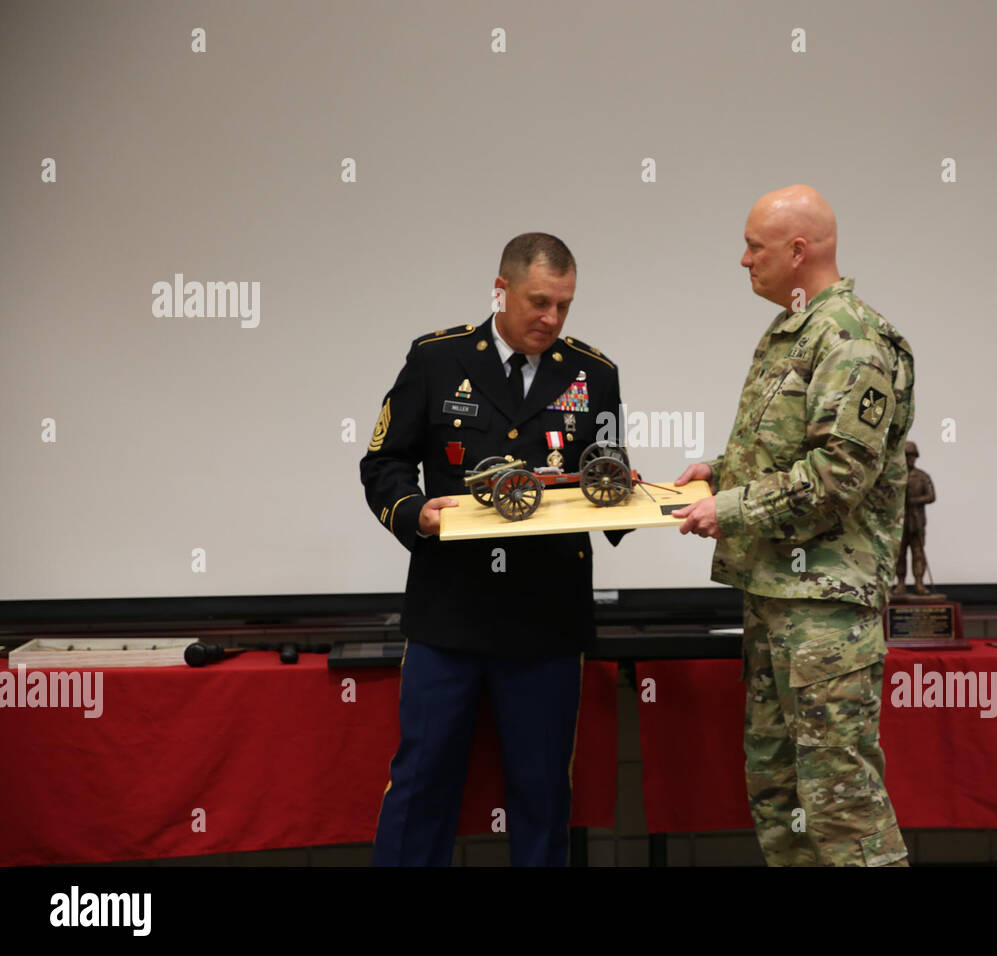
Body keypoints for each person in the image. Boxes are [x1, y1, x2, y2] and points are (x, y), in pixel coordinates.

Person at [360, 233, 625, 866]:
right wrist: (413, 513)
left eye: (564, 305)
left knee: (541, 796)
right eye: (538, 302)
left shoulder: (595, 373)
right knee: (421, 784)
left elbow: (608, 472)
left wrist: (640, 496)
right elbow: (383, 461)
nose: (551, 320)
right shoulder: (436, 359)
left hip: (547, 619)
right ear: (500, 290)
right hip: (450, 612)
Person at [673, 185, 915, 867]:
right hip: (779, 601)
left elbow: (838, 475)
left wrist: (732, 509)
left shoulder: (854, 340)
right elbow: (790, 451)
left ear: (797, 251)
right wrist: (720, 474)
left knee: (843, 811)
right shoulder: (796, 329)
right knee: (785, 807)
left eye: (755, 246)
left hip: (827, 617)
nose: (743, 259)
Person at [894, 441, 936, 596]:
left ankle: (919, 582)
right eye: (906, 456)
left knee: (918, 553)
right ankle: (900, 584)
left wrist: (914, 500)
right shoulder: (895, 476)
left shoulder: (922, 476)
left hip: (916, 521)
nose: (909, 460)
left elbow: (931, 496)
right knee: (900, 554)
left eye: (912, 456)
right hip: (899, 522)